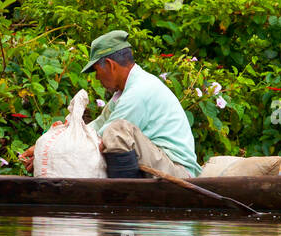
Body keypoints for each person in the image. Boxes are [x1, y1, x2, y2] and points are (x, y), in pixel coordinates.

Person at [20, 30, 200, 179]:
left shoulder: (139, 92)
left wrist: (56, 149)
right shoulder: (123, 93)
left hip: (176, 170)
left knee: (116, 132)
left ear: (110, 65)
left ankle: (122, 194)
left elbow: (99, 139)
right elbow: (94, 128)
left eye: (97, 71)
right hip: (157, 161)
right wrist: (51, 143)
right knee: (108, 132)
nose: (97, 78)